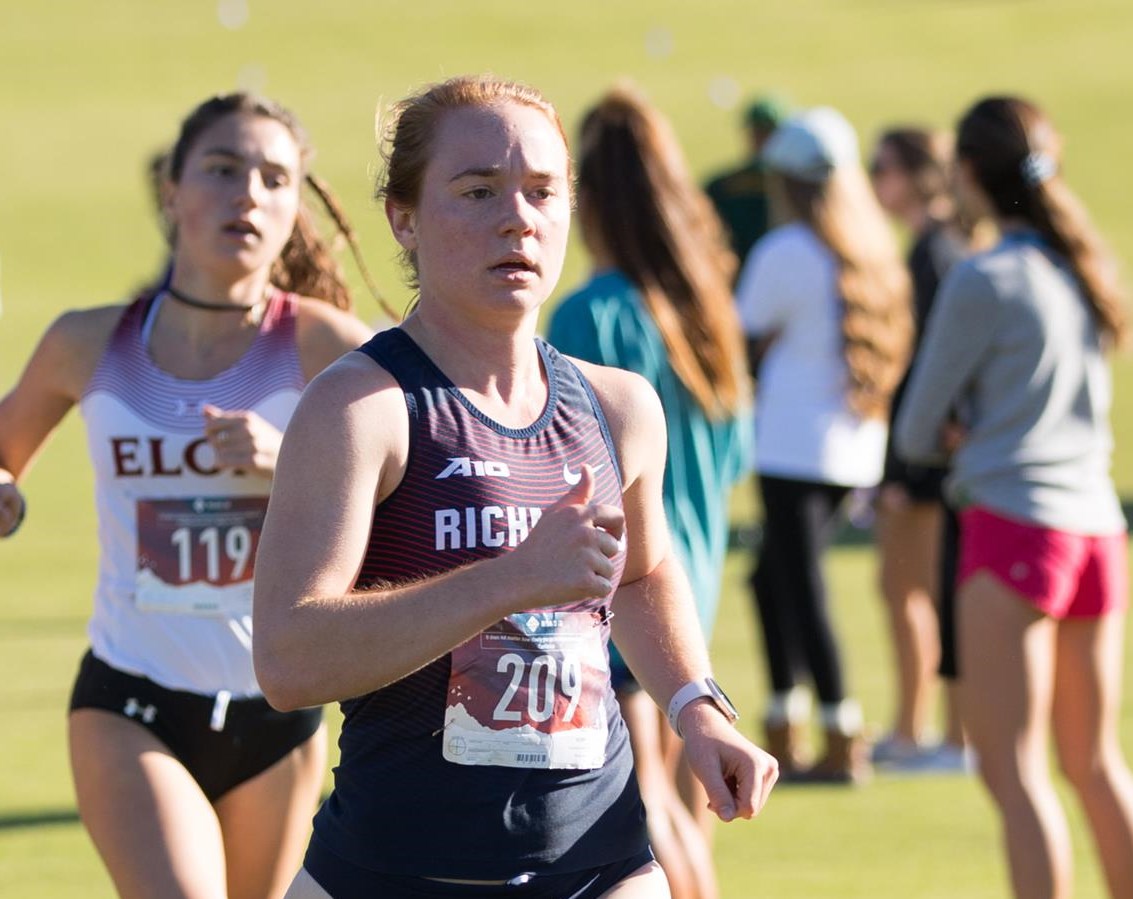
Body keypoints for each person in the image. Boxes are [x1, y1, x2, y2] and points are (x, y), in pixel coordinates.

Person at [252, 74, 778, 899]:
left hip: (598, 863)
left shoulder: (619, 405)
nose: (516, 218)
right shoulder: (363, 406)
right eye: (476, 190)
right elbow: (288, 657)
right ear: (404, 216)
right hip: (393, 871)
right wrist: (510, 579)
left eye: (541, 191)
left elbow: (641, 571)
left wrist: (695, 706)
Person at [0, 92, 377, 899]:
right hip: (130, 700)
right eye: (222, 167)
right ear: (171, 191)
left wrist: (294, 463)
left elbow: (423, 497)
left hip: (276, 711)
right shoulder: (86, 341)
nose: (248, 191)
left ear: (294, 207)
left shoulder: (331, 350)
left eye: (275, 177)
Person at [896, 96, 1133, 899]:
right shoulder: (1081, 266)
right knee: (1096, 764)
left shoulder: (982, 275)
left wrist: (963, 429)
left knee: (1013, 770)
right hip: (1100, 531)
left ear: (965, 172)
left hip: (1016, 528)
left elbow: (917, 427)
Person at [548, 85, 750, 899]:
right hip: (689, 585)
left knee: (645, 810)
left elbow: (556, 467)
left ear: (587, 203)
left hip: (620, 589)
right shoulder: (704, 311)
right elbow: (733, 458)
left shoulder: (591, 313)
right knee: (688, 807)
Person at [735, 106, 912, 784]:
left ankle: (838, 734)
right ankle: (790, 721)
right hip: (850, 448)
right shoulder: (873, 247)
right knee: (768, 577)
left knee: (801, 586)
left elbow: (741, 329)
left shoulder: (785, 251)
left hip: (790, 444)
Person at [867, 127, 977, 773]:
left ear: (912, 174)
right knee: (912, 589)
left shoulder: (935, 252)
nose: (874, 179)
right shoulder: (939, 246)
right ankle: (920, 730)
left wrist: (905, 467)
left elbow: (935, 371)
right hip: (928, 457)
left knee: (919, 590)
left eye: (880, 166)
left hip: (927, 463)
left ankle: (938, 736)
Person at [703, 95, 790, 273]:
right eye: (758, 132)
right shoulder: (799, 185)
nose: (762, 139)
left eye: (766, 132)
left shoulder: (721, 185)